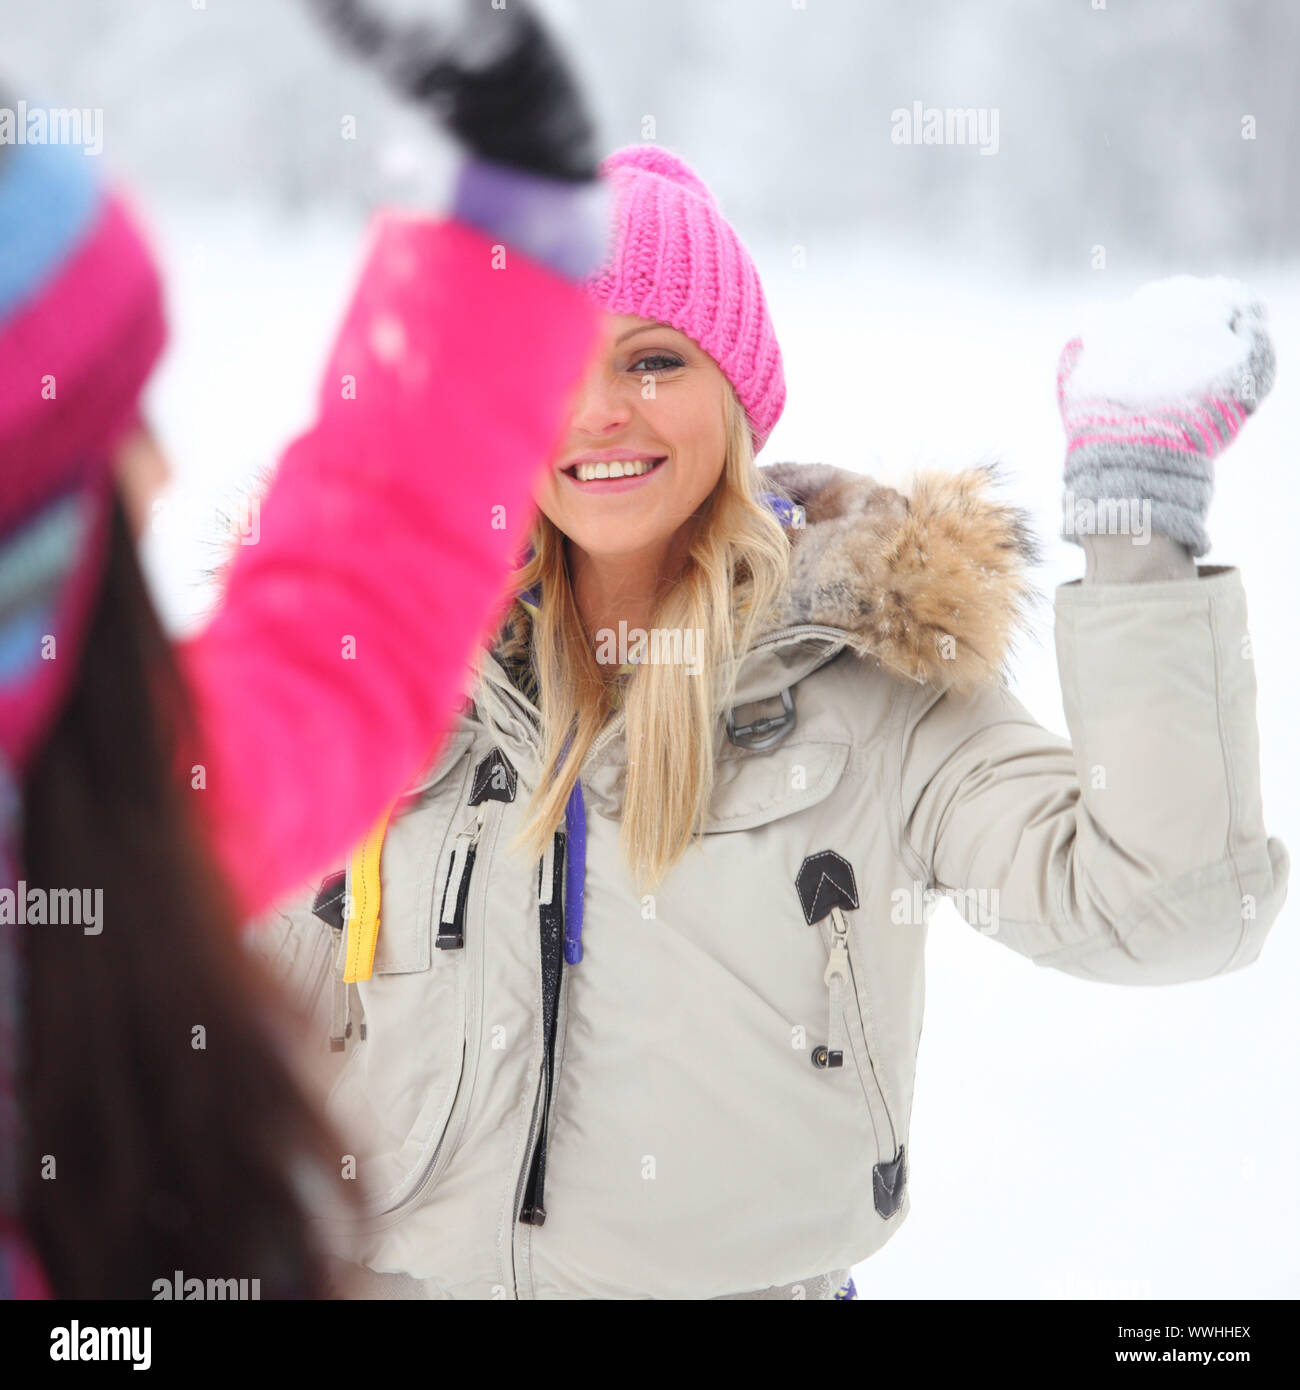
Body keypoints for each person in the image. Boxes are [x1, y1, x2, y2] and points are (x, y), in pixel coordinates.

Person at [259, 140, 1290, 1302]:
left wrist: (1136, 528)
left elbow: (1167, 912)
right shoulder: (386, 679)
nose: (599, 410)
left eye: (653, 361)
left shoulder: (871, 682)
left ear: (734, 396)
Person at [0, 0, 610, 1298]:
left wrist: (513, 195)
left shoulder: (99, 810)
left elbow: (343, 620)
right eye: (107, 433)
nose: (162, 475)